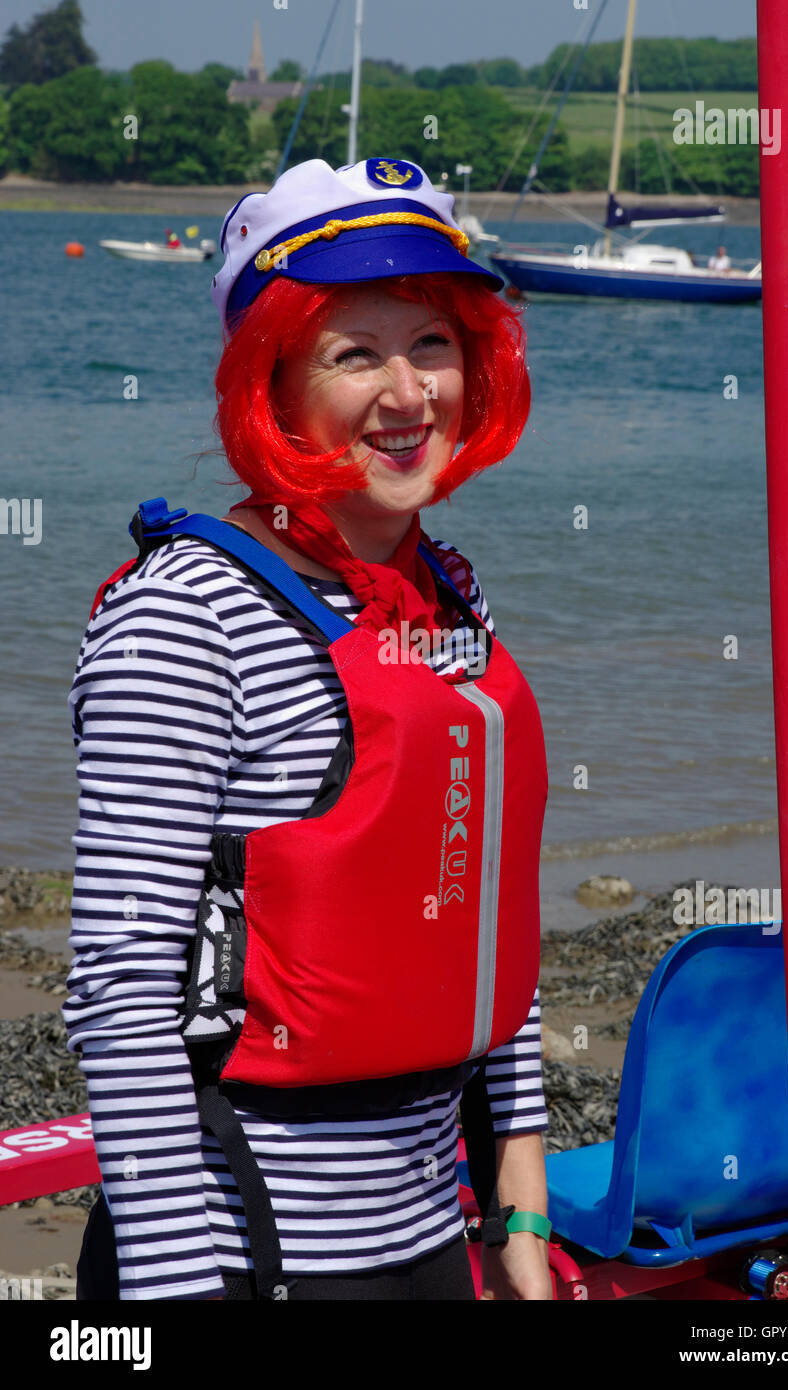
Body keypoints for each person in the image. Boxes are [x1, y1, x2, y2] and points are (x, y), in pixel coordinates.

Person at [65, 156, 553, 1302]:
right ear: (272, 384)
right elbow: (122, 988)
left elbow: (484, 907)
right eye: (354, 354)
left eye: (432, 342)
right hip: (241, 1258)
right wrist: (177, 1286)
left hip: (434, 1236)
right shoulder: (182, 615)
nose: (408, 392)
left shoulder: (450, 593)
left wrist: (519, 1206)